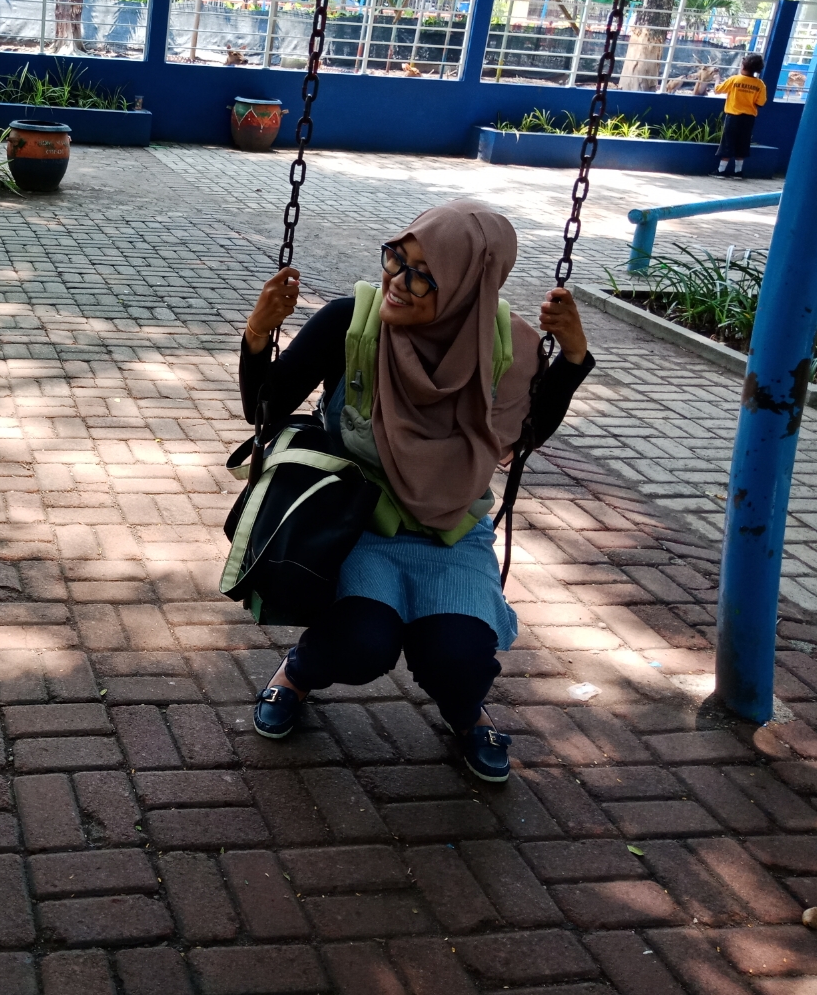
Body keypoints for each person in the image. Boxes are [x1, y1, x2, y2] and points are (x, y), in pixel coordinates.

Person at [239, 201, 593, 783]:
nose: (399, 282)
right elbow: (265, 409)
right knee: (360, 644)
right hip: (361, 521)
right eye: (397, 259)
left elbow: (523, 438)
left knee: (458, 654)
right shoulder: (351, 322)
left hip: (451, 528)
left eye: (425, 274)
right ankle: (296, 674)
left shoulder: (507, 346)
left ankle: (466, 712)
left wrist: (573, 358)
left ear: (470, 285)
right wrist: (259, 332)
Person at [713, 53, 767, 178]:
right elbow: (761, 102)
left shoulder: (734, 79)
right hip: (749, 119)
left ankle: (721, 171)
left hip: (733, 117)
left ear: (743, 66)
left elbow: (717, 90)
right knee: (743, 143)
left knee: (728, 142)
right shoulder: (760, 84)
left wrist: (717, 78)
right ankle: (738, 172)